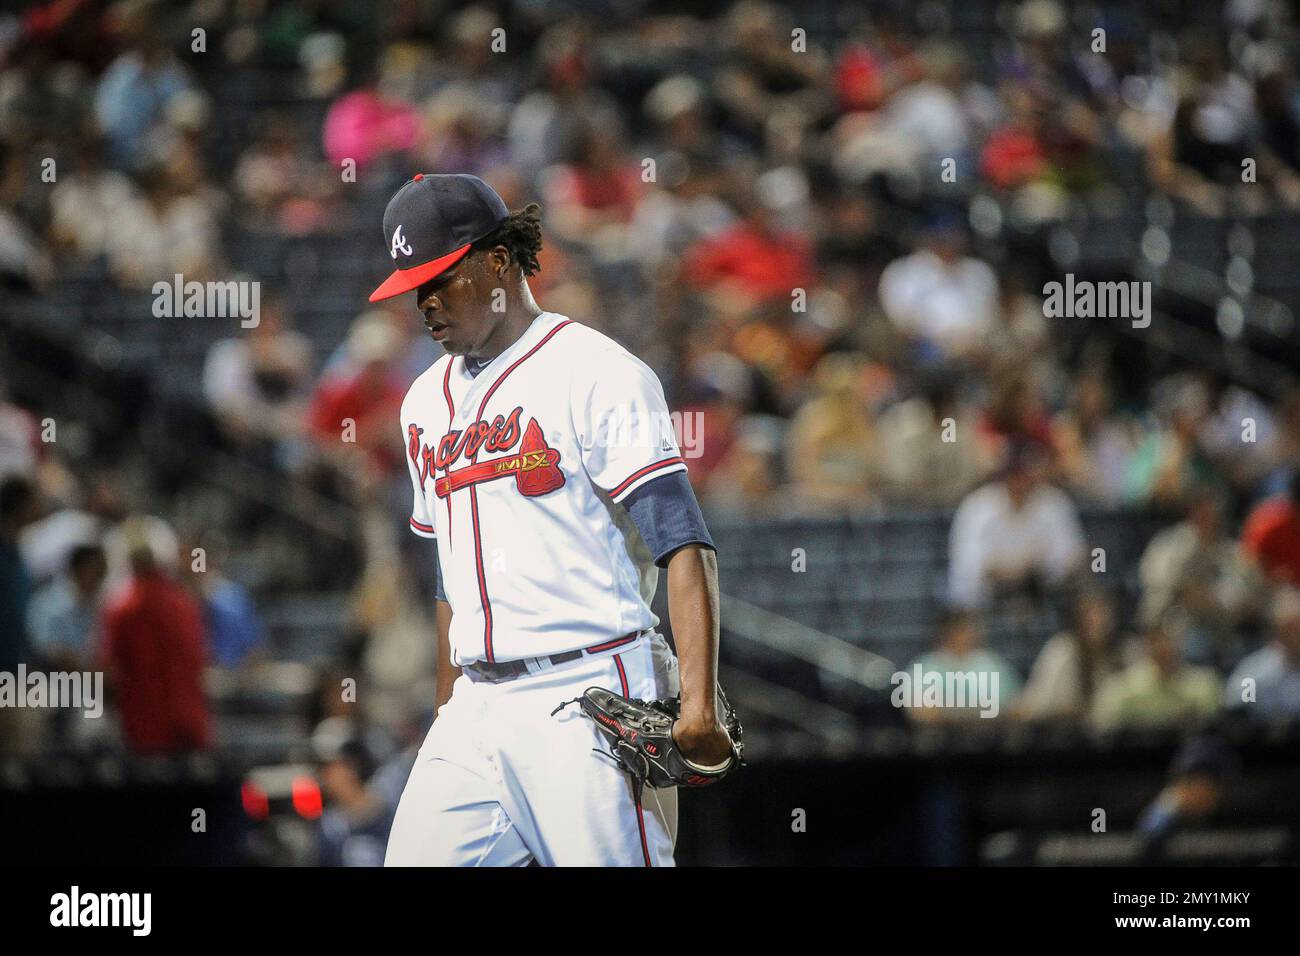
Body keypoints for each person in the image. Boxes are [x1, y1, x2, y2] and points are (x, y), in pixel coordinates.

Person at [371, 174, 733, 866]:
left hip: (589, 689)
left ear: (498, 263)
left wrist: (698, 699)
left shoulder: (595, 371)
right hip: (477, 705)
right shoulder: (421, 402)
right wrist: (450, 710)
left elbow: (683, 542)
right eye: (415, 288)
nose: (426, 303)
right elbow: (450, 575)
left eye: (439, 280)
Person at [99, 522, 211, 755]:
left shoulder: (124, 608)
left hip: (146, 725)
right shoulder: (184, 603)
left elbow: (109, 670)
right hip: (188, 719)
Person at [1224, 587, 1300, 721]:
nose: (1295, 636)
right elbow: (1236, 703)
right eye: (1289, 629)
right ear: (1277, 631)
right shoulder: (1255, 670)